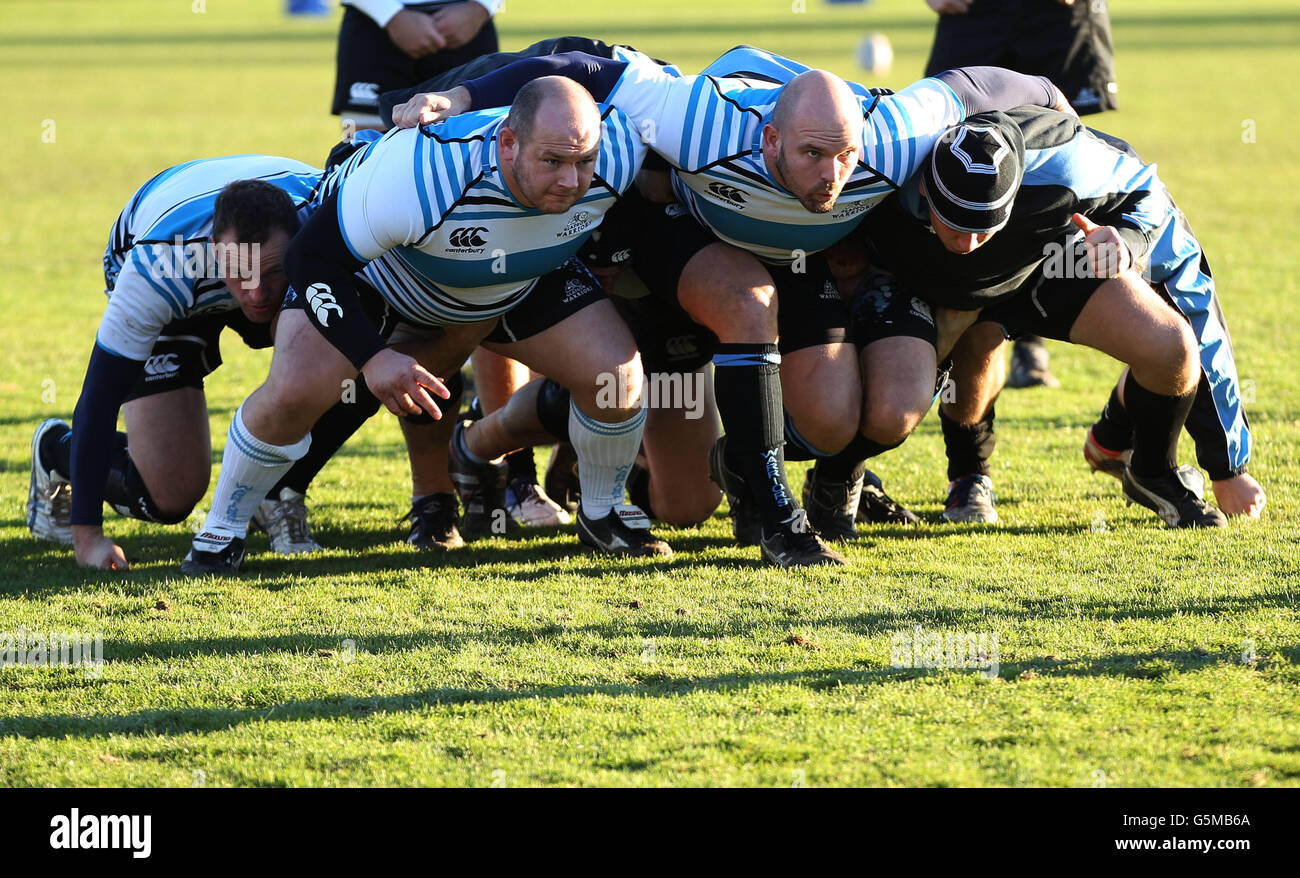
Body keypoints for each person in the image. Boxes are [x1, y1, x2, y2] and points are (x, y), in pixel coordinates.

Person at [392, 44, 1072, 566]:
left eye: (845, 159)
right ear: (771, 141)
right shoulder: (703, 123)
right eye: (811, 155)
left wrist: (1059, 110)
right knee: (738, 313)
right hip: (681, 241)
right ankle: (776, 519)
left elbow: (995, 87)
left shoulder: (893, 133)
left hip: (793, 260)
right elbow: (580, 60)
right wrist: (458, 95)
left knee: (721, 485)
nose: (833, 177)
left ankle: (697, 463)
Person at [181, 76, 673, 574]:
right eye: (552, 162)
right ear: (507, 142)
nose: (571, 181)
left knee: (616, 375)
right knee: (297, 388)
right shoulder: (421, 174)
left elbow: (591, 60)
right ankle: (220, 531)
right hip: (385, 278)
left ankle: (603, 510)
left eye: (582, 163)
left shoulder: (618, 149)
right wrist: (372, 357)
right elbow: (311, 258)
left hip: (520, 275)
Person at [834, 107, 1245, 528]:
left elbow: (1146, 189)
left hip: (1050, 256)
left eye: (984, 228)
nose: (969, 243)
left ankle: (1153, 471)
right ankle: (963, 474)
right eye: (955, 226)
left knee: (1170, 345)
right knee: (930, 373)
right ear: (924, 190)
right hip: (950, 289)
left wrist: (1126, 241)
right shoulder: (888, 169)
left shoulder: (1064, 160)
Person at [26, 157, 326, 570]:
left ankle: (278, 493)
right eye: (241, 273)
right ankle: (55, 449)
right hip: (173, 283)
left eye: (273, 271)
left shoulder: (325, 216)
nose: (256, 294)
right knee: (170, 494)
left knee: (338, 362)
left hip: (252, 253)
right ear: (217, 252)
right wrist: (88, 538)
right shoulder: (158, 269)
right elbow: (100, 396)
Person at [924, 0, 1120, 390]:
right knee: (960, 148)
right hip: (974, 13)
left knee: (1059, 159)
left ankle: (1025, 337)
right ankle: (949, 321)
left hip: (1054, 15)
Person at [333, 0, 501, 131]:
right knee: (357, 148)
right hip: (372, 22)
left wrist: (481, 7)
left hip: (469, 23)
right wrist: (388, 14)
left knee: (472, 152)